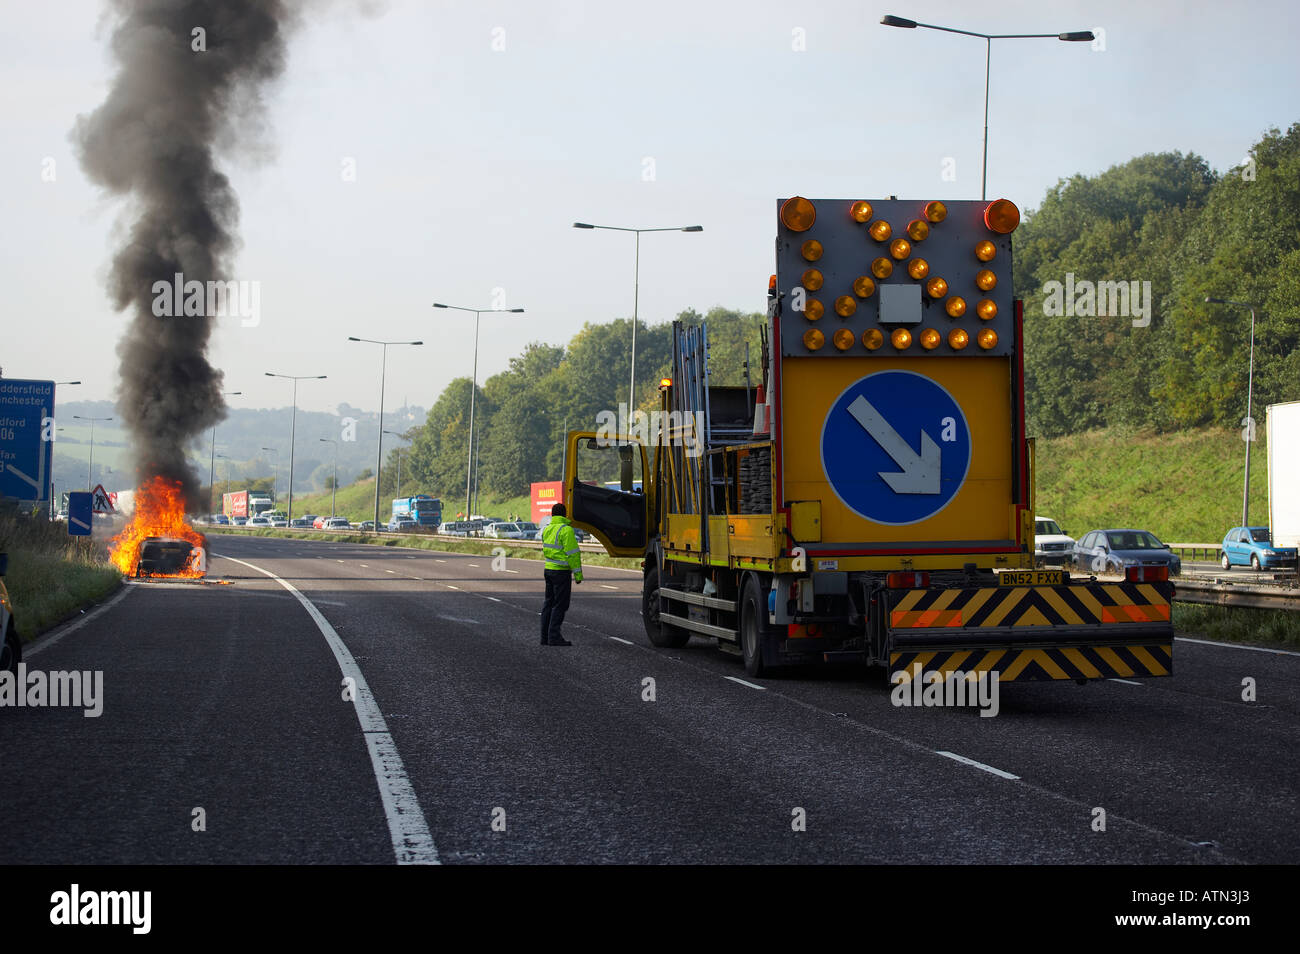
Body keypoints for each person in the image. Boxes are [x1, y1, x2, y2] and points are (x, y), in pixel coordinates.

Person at [540, 502, 583, 646]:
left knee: (548, 603)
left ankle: (544, 637)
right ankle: (554, 637)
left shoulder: (547, 529)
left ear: (552, 514)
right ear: (565, 514)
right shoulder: (566, 530)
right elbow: (573, 554)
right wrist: (578, 575)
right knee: (560, 605)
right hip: (561, 572)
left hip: (548, 569)